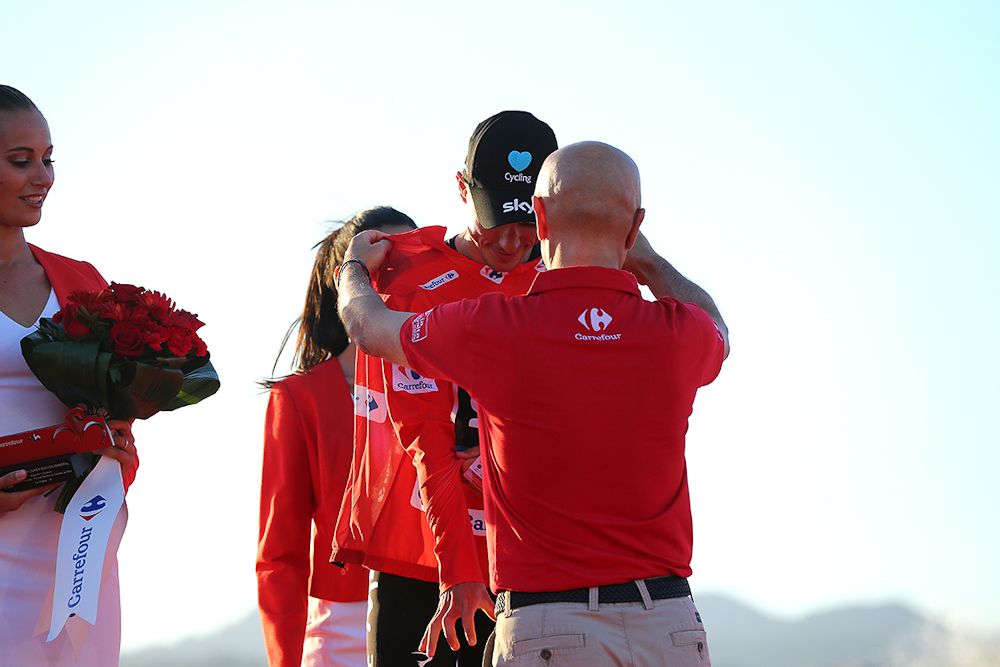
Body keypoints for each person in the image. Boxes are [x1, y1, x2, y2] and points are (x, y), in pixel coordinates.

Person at [336, 141, 730, 666]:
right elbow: (717, 324)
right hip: (669, 623)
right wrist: (651, 263)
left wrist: (353, 268)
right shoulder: (679, 334)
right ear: (634, 228)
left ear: (539, 216)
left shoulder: (496, 328)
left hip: (549, 624)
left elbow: (367, 326)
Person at [330, 111, 558, 666]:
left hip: (534, 566)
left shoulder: (564, 284)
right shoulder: (416, 278)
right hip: (427, 563)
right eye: (495, 219)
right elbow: (426, 441)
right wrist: (457, 573)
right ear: (461, 188)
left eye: (530, 222)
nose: (512, 239)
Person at [0, 85, 140, 666]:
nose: (44, 176)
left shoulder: (81, 280)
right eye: (21, 160)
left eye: (48, 157)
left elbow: (119, 411)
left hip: (74, 538)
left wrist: (117, 444)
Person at [257, 207, 416, 667]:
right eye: (383, 261)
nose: (400, 274)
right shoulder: (300, 398)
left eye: (413, 258)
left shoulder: (452, 381)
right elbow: (279, 554)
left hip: (440, 614)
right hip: (340, 628)